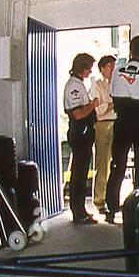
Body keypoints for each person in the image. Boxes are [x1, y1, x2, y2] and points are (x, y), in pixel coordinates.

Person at [105, 34, 139, 223]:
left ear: (131, 50)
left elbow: (113, 93)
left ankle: (111, 207)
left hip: (122, 122)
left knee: (118, 164)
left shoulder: (117, 71)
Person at [62, 52, 98, 225]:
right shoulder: (74, 87)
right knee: (79, 174)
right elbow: (78, 113)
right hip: (80, 131)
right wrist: (93, 105)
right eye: (89, 68)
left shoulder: (79, 84)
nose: (90, 72)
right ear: (82, 68)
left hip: (85, 132)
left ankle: (81, 209)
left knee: (82, 173)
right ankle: (78, 212)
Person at [90, 54, 116, 211]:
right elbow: (98, 109)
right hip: (102, 125)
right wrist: (113, 103)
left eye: (113, 66)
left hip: (116, 123)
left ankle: (112, 198)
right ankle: (99, 200)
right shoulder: (97, 86)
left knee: (116, 162)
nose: (112, 69)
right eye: (109, 66)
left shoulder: (117, 84)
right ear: (102, 69)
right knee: (103, 163)